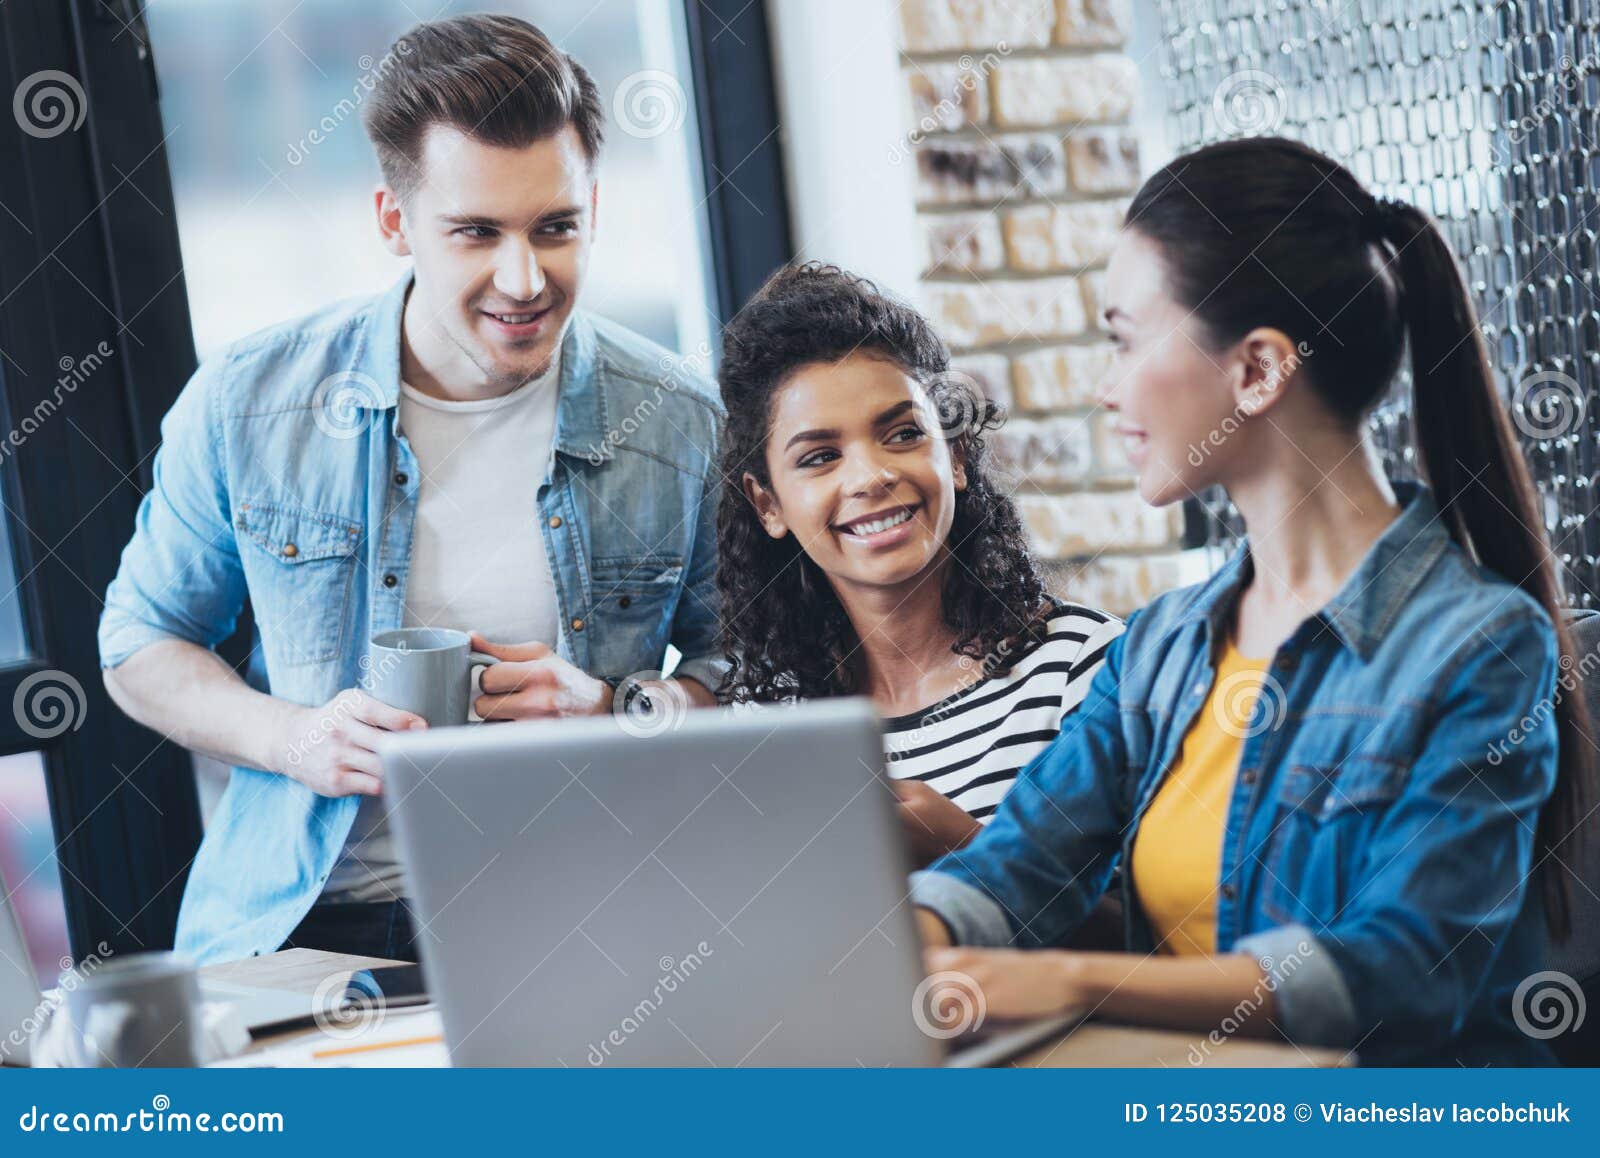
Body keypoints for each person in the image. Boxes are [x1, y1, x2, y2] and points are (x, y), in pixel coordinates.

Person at [910, 137, 1593, 1065]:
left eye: (1124, 337)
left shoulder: (1478, 646)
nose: (1106, 390)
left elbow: (1399, 975)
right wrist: (927, 939)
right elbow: (1019, 861)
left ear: (1260, 370)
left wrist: (1073, 981)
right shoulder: (1162, 647)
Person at [97, 15, 723, 964]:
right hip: (302, 929)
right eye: (476, 233)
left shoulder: (677, 418)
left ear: (594, 207)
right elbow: (139, 643)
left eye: (556, 227)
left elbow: (758, 664)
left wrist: (619, 711)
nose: (525, 279)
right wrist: (297, 740)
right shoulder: (251, 402)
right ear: (395, 222)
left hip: (580, 922)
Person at [715, 263, 1123, 865]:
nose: (872, 476)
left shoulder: (1081, 668)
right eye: (821, 456)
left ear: (954, 454)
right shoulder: (765, 722)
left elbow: (1157, 940)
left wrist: (966, 852)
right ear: (768, 504)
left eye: (903, 435)